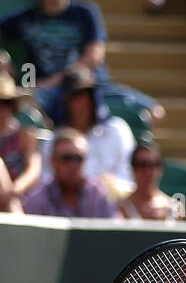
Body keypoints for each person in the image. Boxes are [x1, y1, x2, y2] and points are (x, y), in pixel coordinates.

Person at [0, 0, 108, 121]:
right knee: (26, 112)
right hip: (43, 92)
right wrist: (2, 58)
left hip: (87, 86)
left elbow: (94, 56)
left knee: (152, 111)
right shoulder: (24, 19)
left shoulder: (86, 12)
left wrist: (56, 80)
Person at [42, 66, 136, 196]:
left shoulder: (118, 130)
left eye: (88, 95)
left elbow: (129, 177)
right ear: (65, 102)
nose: (83, 102)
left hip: (114, 206)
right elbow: (46, 181)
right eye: (76, 96)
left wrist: (109, 187)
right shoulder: (53, 141)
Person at [22, 128, 120, 219]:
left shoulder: (98, 194)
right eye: (67, 158)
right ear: (52, 161)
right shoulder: (37, 200)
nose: (73, 164)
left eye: (79, 158)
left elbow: (114, 230)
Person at [0, 72, 41, 213]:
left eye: (6, 103)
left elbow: (33, 171)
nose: (2, 109)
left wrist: (12, 192)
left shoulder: (25, 134)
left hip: (20, 197)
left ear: (14, 106)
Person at [118, 144, 182, 222]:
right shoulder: (120, 208)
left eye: (154, 164)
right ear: (133, 168)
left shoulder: (175, 208)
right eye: (142, 165)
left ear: (160, 168)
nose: (148, 171)